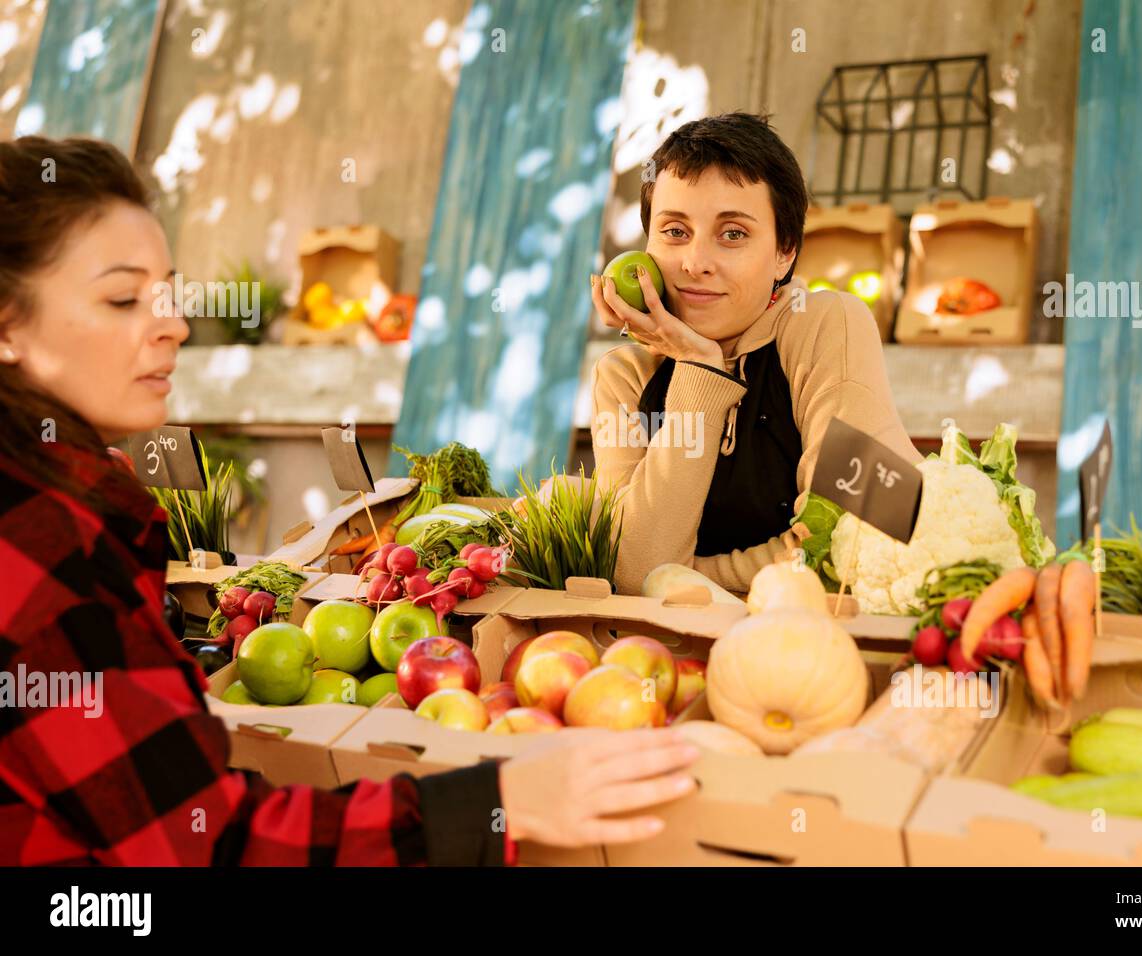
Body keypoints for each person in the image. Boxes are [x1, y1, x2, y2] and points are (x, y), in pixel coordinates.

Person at [0, 136, 698, 866]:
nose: (172, 323)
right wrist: (496, 807)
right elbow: (211, 848)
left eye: (169, 292)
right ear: (8, 323)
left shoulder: (64, 508)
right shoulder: (39, 546)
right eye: (121, 298)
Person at [589, 111, 922, 596]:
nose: (696, 263)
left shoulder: (826, 324)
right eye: (675, 232)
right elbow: (633, 568)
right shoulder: (625, 374)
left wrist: (690, 579)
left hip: (808, 646)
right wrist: (699, 367)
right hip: (663, 661)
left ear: (785, 251)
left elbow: (859, 527)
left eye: (733, 234)